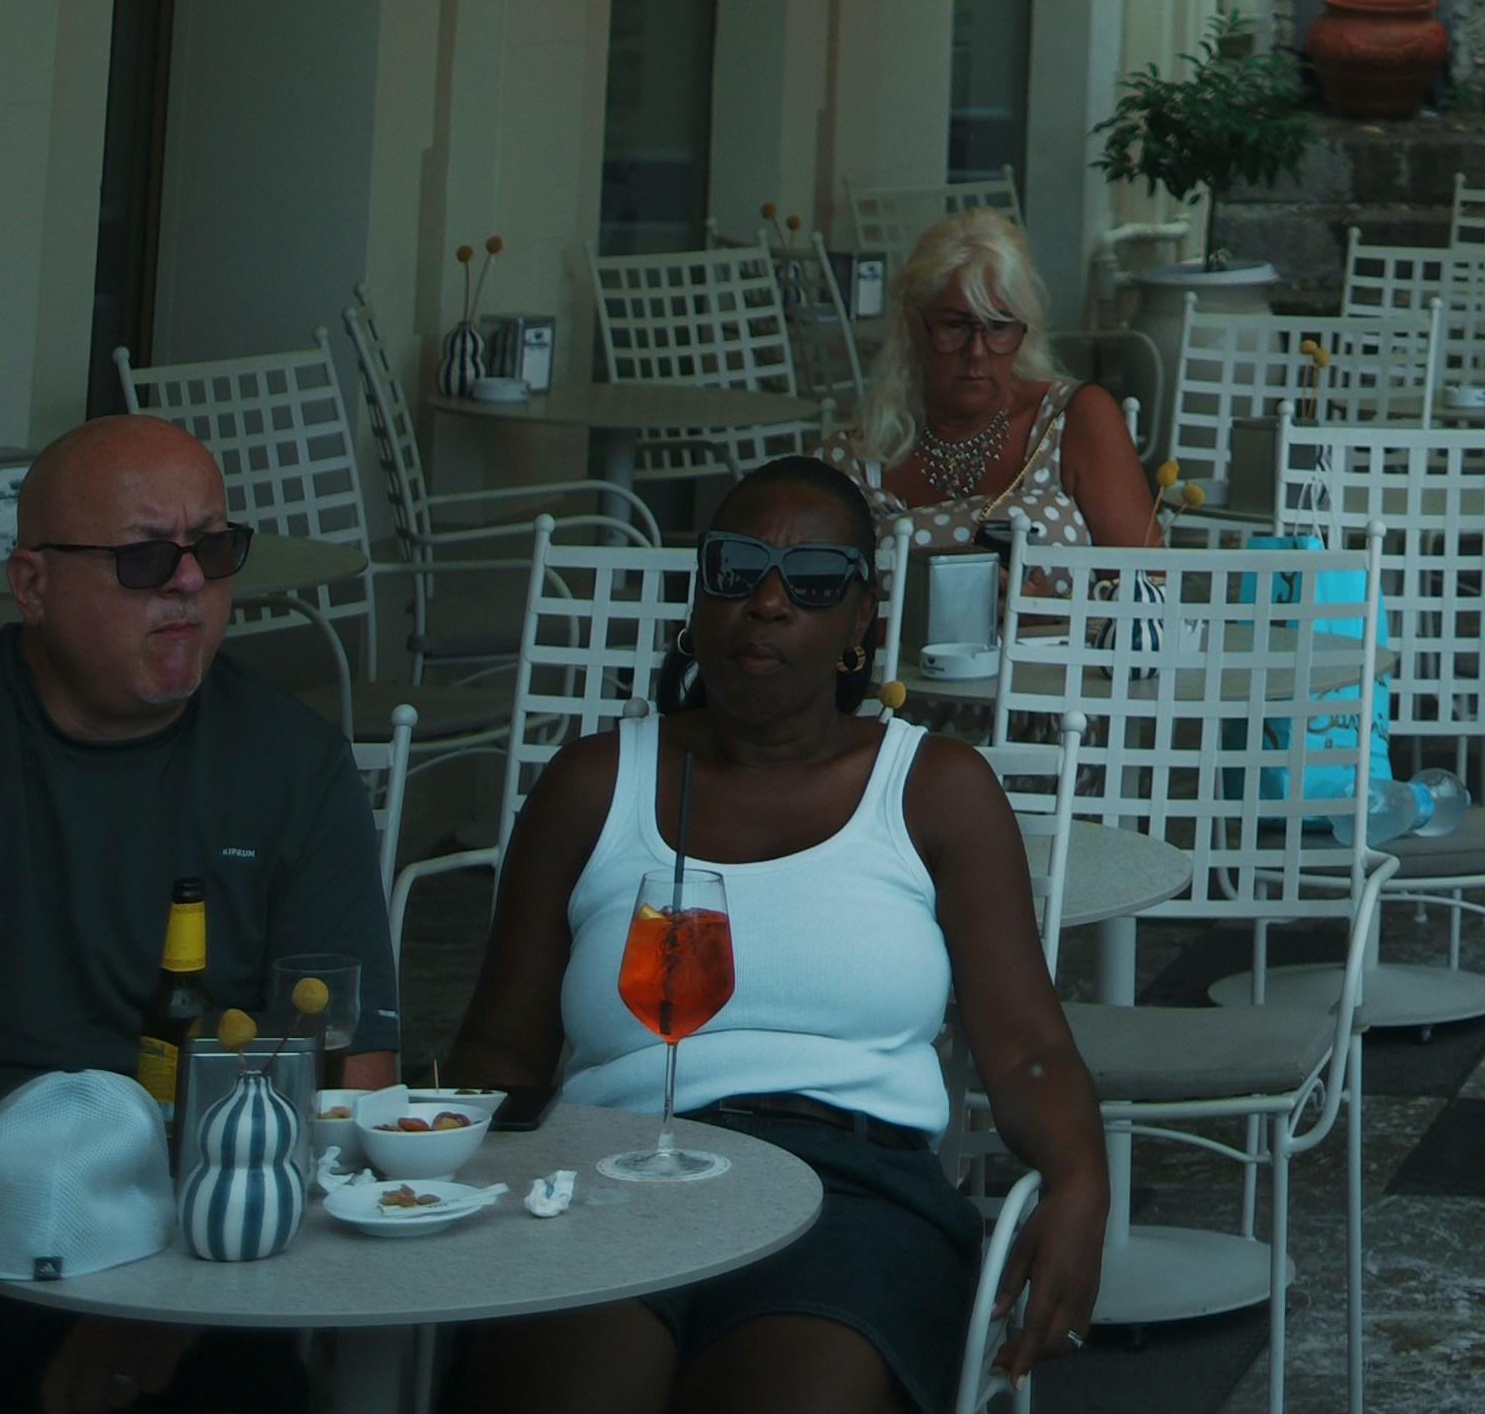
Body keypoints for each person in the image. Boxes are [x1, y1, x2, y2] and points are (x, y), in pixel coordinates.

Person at [449, 455, 1105, 1414]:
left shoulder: (935, 790)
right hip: (611, 1170)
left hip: (851, 1191)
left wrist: (1082, 1181)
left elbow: (1029, 1048)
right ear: (697, 589)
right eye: (735, 569)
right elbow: (499, 1054)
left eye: (811, 581)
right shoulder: (594, 785)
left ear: (861, 616)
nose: (767, 601)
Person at [0, 412, 397, 1414]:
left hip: (185, 1284)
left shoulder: (293, 765)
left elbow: (346, 1076)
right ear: (33, 584)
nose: (189, 581)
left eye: (213, 548)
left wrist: (183, 1294)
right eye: (144, 557)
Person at [862, 218, 1154, 591]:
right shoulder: (861, 461)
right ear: (914, 326)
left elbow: (1153, 596)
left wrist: (1056, 615)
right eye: (955, 325)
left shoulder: (1073, 421)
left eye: (998, 326)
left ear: (1023, 330)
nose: (976, 352)